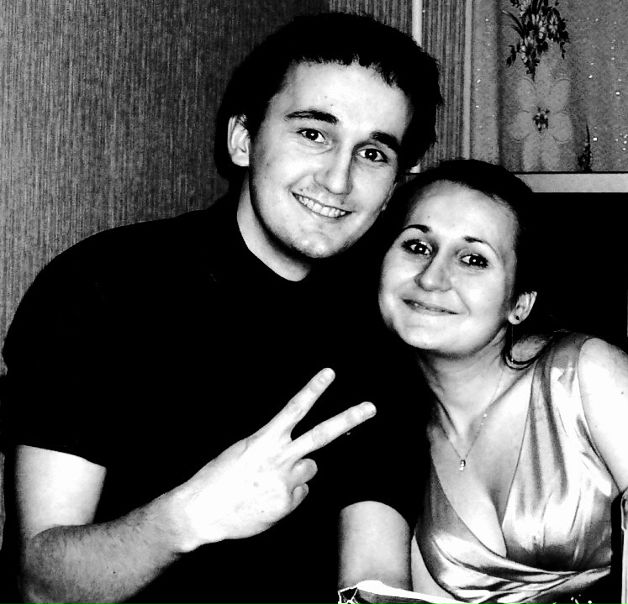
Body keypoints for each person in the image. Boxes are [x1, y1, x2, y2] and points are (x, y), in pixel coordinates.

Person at [0, 11, 442, 604]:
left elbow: (371, 574)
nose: (339, 180)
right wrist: (187, 518)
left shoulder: (381, 327)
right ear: (242, 139)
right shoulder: (104, 286)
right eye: (314, 133)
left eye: (373, 153)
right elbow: (41, 583)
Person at [339, 159, 628, 603]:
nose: (432, 278)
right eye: (417, 246)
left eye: (473, 259)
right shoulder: (383, 432)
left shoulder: (583, 374)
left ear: (519, 303)